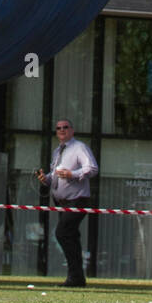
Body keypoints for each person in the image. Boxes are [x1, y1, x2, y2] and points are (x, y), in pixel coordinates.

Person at [38, 116, 98, 287]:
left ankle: (74, 276)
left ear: (72, 131)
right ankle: (77, 278)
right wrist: (45, 178)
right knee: (71, 237)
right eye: (58, 128)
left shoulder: (79, 148)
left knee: (62, 233)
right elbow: (54, 177)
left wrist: (73, 174)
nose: (62, 130)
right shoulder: (58, 151)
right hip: (61, 201)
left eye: (65, 127)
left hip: (77, 200)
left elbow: (92, 168)